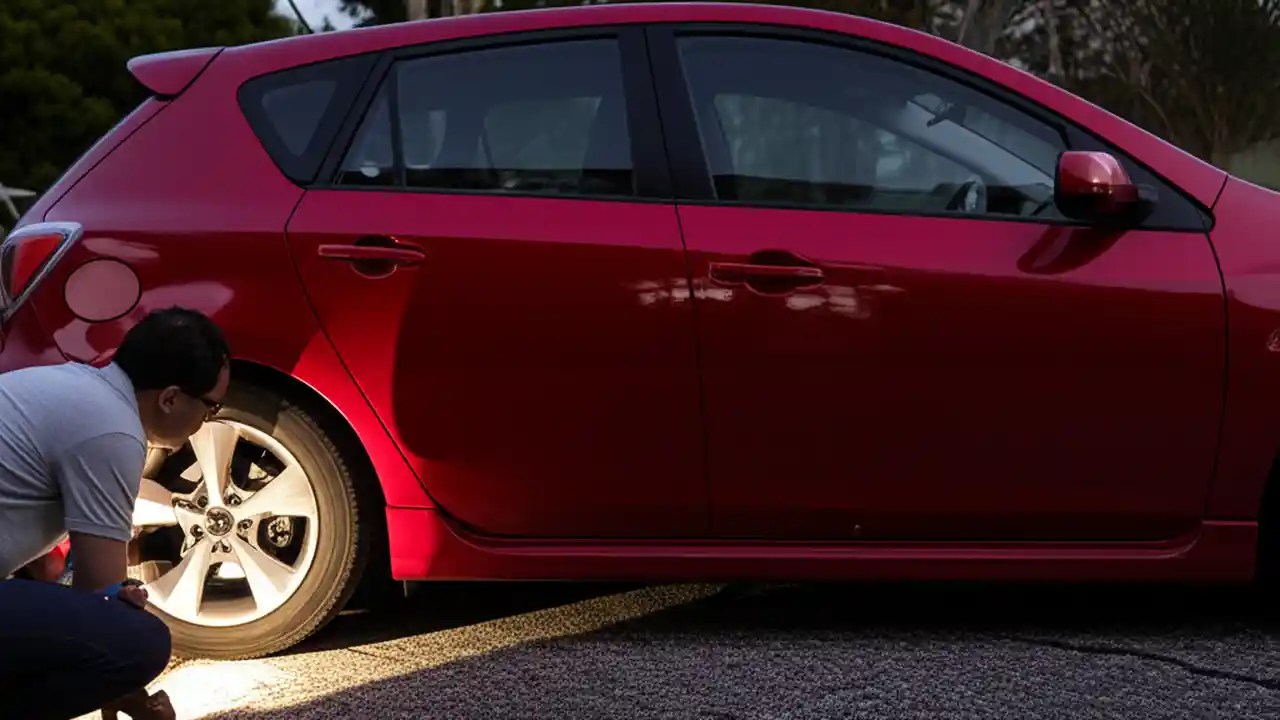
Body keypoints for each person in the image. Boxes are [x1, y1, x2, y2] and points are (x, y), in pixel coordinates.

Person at [0, 307, 231, 720]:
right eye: (210, 407)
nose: (206, 420)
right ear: (170, 398)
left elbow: (62, 580)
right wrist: (136, 703)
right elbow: (101, 595)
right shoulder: (114, 431)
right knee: (139, 642)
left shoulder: (73, 387)